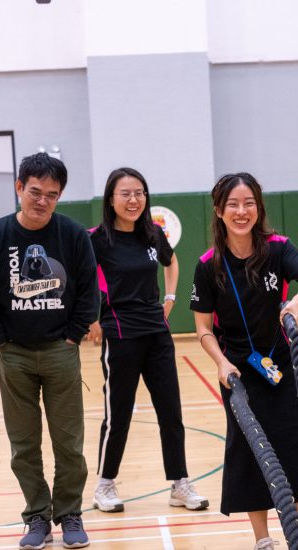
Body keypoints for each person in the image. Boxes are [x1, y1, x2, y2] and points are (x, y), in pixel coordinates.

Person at [190, 172, 298, 550]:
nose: (241, 211)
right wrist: (221, 362)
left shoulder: (278, 248)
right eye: (233, 204)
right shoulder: (208, 265)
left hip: (279, 366)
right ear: (219, 210)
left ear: (258, 207)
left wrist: (296, 302)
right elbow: (202, 329)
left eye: (248, 203)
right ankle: (262, 543)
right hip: (237, 373)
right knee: (249, 453)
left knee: (293, 447)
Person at [0, 153, 99, 550]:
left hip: (61, 351)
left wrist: (73, 336)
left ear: (59, 197)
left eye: (52, 195)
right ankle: (37, 516)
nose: (42, 201)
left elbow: (89, 291)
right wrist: (0, 339)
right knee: (24, 445)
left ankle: (70, 513)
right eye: (35, 191)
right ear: (19, 188)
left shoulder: (73, 235)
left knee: (69, 443)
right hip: (14, 354)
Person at [87, 167, 208, 514]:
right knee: (119, 414)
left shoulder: (153, 234)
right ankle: (104, 484)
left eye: (139, 193)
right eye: (125, 193)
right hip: (120, 334)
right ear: (111, 198)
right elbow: (81, 279)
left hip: (157, 332)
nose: (133, 200)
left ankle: (179, 483)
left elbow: (172, 263)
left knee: (171, 411)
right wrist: (91, 319)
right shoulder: (96, 239)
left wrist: (170, 298)